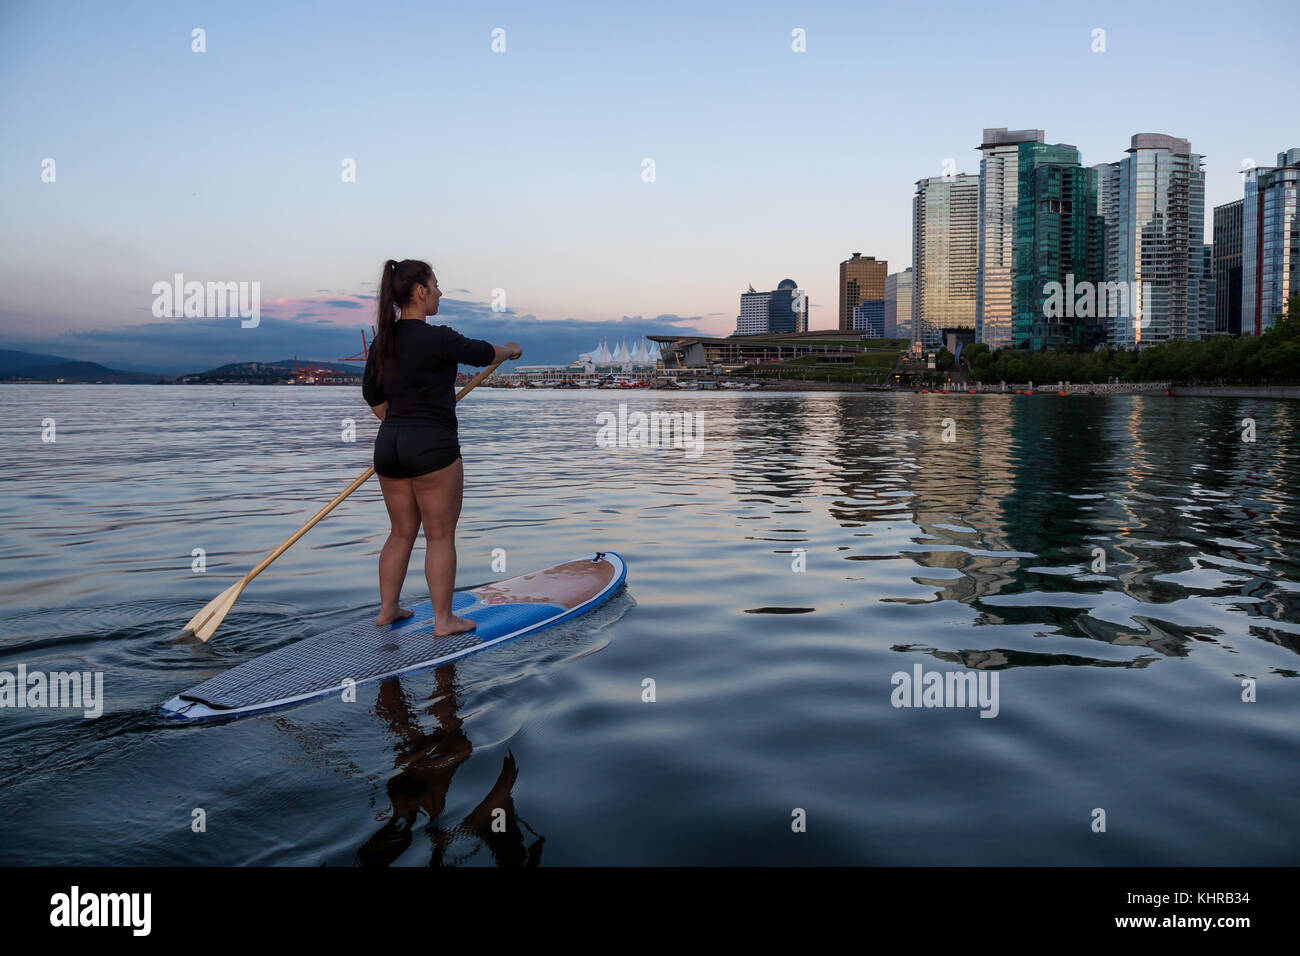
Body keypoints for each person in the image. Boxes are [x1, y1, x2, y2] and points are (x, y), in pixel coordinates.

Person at [362, 259, 521, 635]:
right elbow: (484, 352)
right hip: (432, 446)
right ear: (420, 291)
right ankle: (444, 620)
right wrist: (510, 349)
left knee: (400, 532)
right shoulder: (439, 338)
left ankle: (388, 610)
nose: (439, 291)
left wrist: (400, 422)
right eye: (435, 284)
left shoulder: (383, 340)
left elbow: (372, 395)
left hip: (390, 446)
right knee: (440, 535)